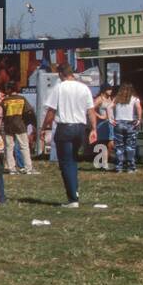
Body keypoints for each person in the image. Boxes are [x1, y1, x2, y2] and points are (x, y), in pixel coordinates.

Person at [41, 65, 97, 208]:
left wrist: (45, 127)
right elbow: (91, 111)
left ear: (61, 74)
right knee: (73, 160)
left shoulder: (59, 88)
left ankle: (72, 198)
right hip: (80, 127)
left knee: (66, 162)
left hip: (65, 127)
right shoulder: (84, 88)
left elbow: (51, 111)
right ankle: (75, 192)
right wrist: (94, 129)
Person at [2, 88, 38, 174]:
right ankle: (28, 168)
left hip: (8, 126)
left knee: (9, 148)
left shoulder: (5, 100)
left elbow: (1, 112)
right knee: (24, 147)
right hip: (20, 125)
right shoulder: (22, 99)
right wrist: (32, 123)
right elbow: (29, 111)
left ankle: (11, 168)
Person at [111, 83, 142, 173]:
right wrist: (139, 119)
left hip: (118, 123)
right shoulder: (135, 99)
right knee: (130, 146)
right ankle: (130, 167)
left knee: (119, 146)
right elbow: (138, 108)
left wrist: (110, 118)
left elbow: (109, 107)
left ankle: (119, 167)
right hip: (130, 123)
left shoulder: (116, 99)